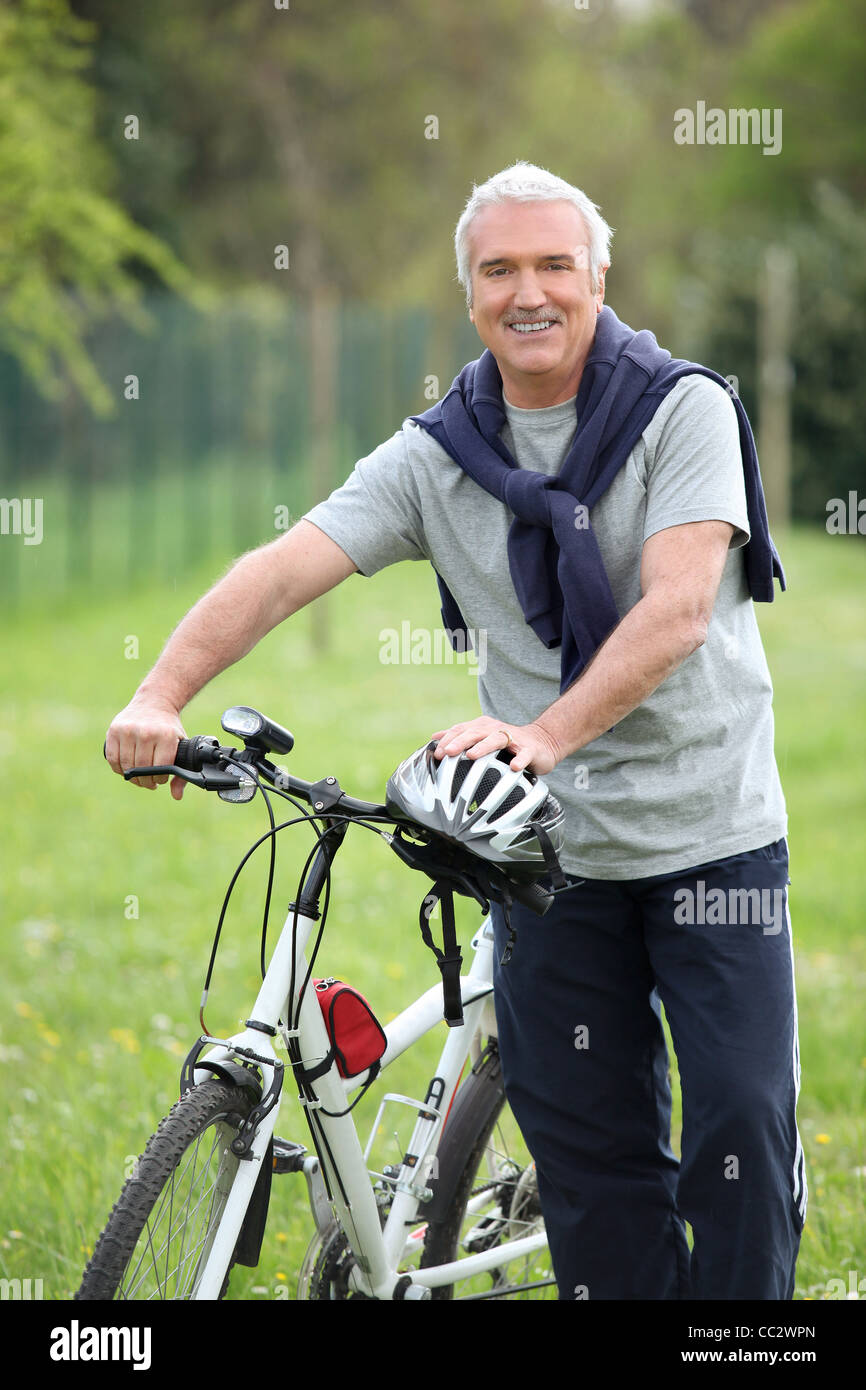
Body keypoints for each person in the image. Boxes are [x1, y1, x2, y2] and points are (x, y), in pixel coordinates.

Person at [105, 161, 805, 1300]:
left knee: (737, 1130)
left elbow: (676, 610)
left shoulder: (685, 410)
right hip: (545, 866)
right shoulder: (440, 451)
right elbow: (287, 568)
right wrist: (158, 694)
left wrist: (542, 735)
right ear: (469, 292)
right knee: (590, 1167)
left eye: (551, 264)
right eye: (498, 269)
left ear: (596, 276)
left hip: (710, 842)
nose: (527, 291)